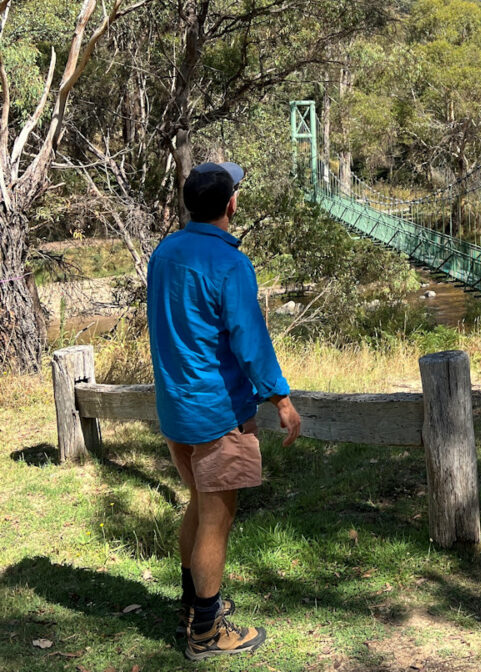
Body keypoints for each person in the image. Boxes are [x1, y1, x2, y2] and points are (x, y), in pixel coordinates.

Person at [147, 161, 301, 661]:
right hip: (216, 412)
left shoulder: (164, 252)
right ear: (231, 204)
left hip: (175, 408)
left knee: (198, 504)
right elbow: (249, 340)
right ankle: (207, 633)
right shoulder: (230, 263)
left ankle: (193, 608)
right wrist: (280, 398)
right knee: (216, 519)